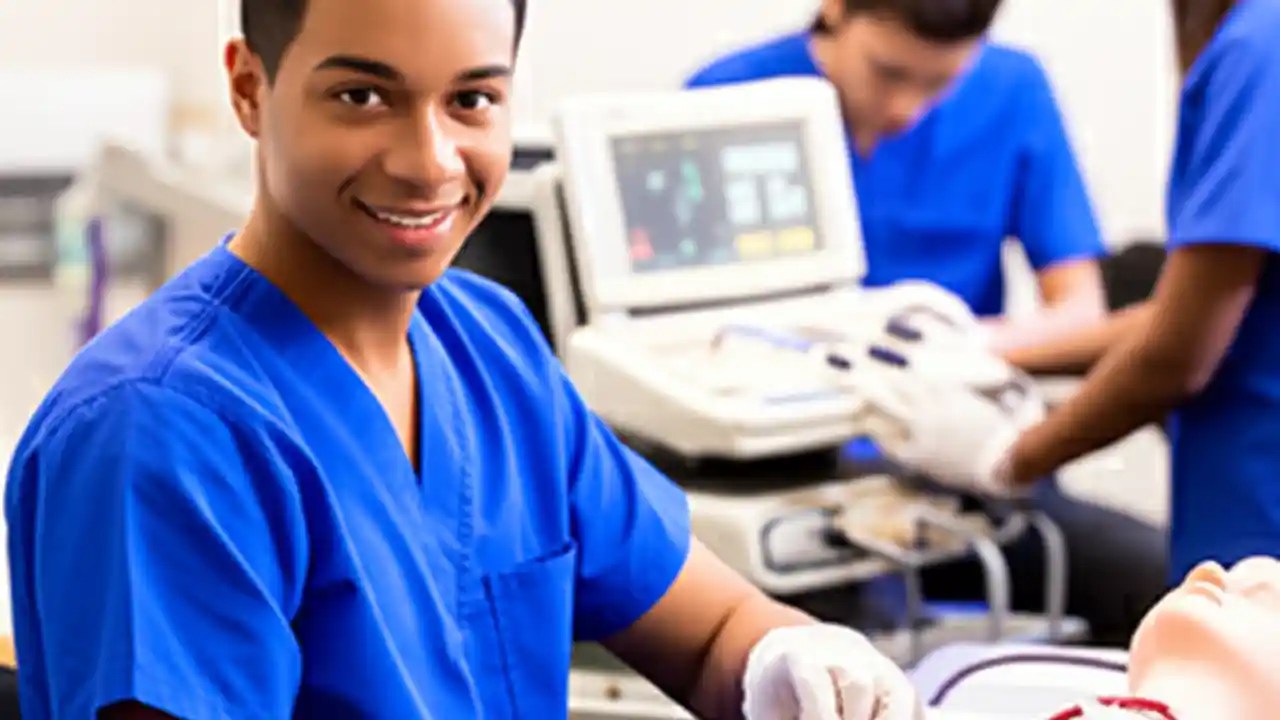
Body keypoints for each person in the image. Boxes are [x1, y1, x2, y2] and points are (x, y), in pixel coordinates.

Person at [2, 0, 925, 718]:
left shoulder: (489, 345)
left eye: (471, 100)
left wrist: (796, 663)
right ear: (250, 88)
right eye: (362, 96)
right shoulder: (163, 432)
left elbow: (718, 626)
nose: (430, 160)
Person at [684, 0, 1167, 645]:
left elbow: (1079, 310)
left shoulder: (1013, 90)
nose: (905, 111)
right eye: (887, 73)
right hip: (794, 495)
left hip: (965, 481)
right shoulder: (726, 101)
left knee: (1159, 585)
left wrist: (947, 352)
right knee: (833, 647)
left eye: (939, 84)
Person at [996, 0, 1280, 589]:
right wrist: (987, 353)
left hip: (1259, 512)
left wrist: (1007, 460)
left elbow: (1180, 352)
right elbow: (1210, 306)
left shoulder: (1260, 50)